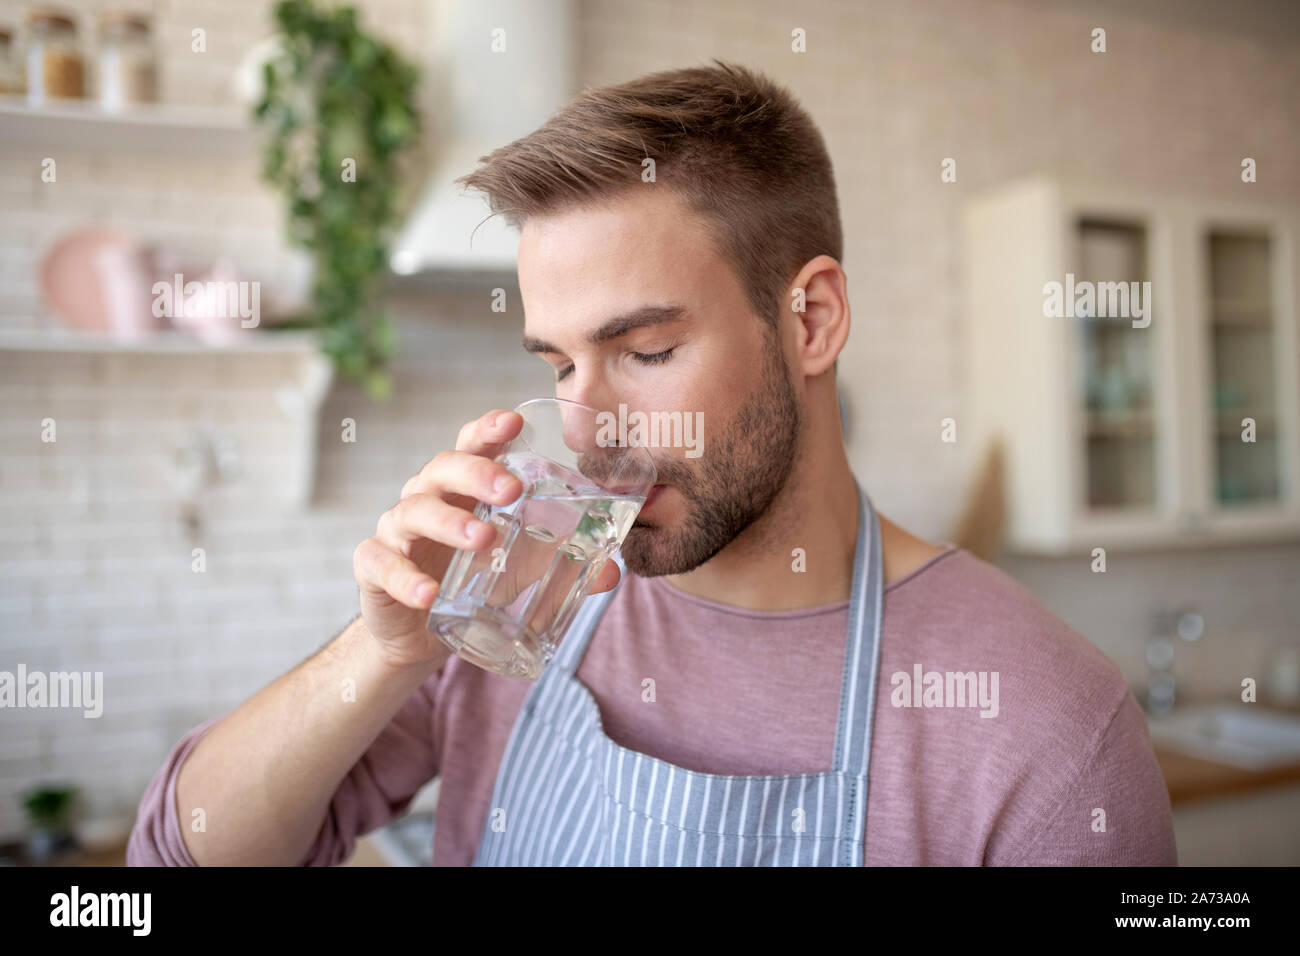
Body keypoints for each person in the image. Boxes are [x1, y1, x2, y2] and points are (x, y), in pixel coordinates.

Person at [128, 61, 1176, 866]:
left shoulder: (1045, 724)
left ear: (810, 318)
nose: (585, 428)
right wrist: (382, 647)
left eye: (644, 351)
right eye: (558, 362)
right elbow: (174, 855)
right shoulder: (506, 604)